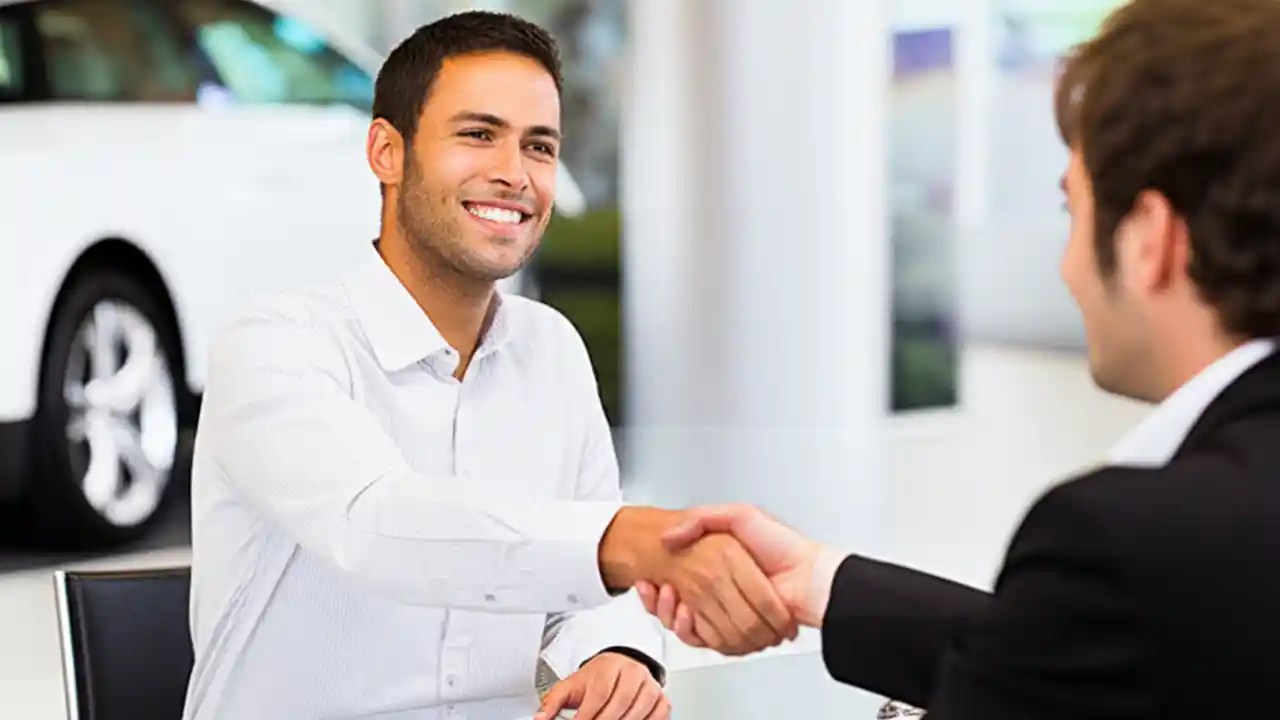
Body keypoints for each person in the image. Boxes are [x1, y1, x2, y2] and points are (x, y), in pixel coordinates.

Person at [637, 0, 1280, 717]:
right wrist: (826, 581)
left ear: (1146, 240)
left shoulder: (1128, 539)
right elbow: (1097, 650)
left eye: (1072, 211)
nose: (1067, 268)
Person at [182, 12, 796, 720]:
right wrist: (628, 541)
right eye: (478, 134)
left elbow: (592, 591)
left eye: (539, 146)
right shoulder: (276, 345)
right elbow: (375, 524)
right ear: (387, 151)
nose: (514, 174)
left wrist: (615, 653)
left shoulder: (551, 350)